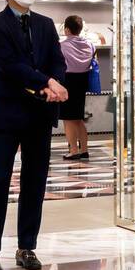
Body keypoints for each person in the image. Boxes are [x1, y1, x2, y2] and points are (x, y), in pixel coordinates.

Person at [0, 0, 68, 270]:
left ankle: (27, 246)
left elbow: (58, 59)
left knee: (35, 182)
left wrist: (55, 81)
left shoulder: (44, 24)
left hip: (40, 114)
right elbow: (9, 64)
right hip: (8, 113)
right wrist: (47, 83)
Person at [58, 15, 95, 161]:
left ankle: (73, 151)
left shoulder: (61, 45)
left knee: (68, 119)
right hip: (83, 82)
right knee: (78, 117)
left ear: (67, 29)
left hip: (67, 82)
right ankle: (84, 150)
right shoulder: (90, 45)